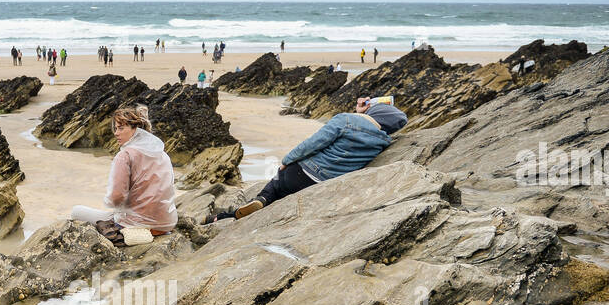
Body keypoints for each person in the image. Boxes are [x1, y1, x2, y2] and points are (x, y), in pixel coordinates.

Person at [205, 98, 407, 222]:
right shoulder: (382, 142)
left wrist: (287, 160)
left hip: (302, 173)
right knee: (279, 198)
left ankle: (251, 204)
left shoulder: (346, 120)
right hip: (323, 185)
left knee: (275, 185)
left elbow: (313, 143)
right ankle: (225, 216)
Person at [70, 106, 177, 240]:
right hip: (167, 222)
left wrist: (117, 208)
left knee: (76, 211)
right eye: (115, 128)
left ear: (136, 130)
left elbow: (116, 197)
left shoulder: (125, 155)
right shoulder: (162, 154)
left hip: (139, 223)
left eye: (121, 128)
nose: (116, 133)